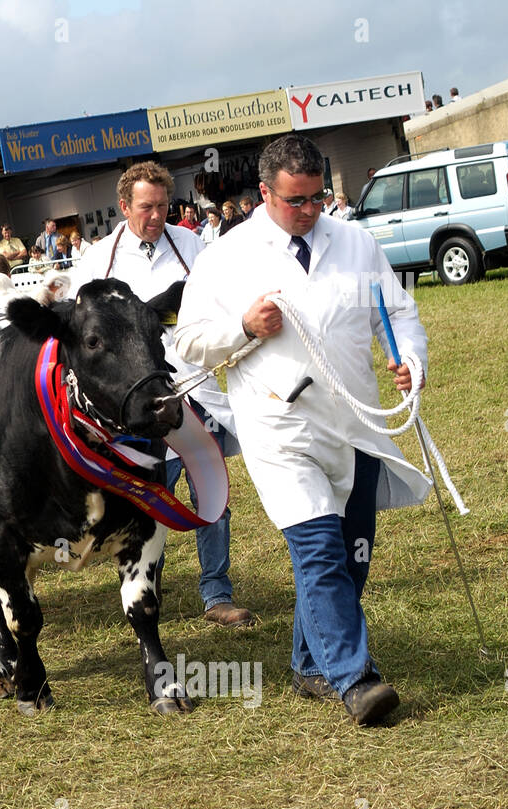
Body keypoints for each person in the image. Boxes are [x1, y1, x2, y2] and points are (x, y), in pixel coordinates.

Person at [175, 133, 431, 726]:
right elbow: (187, 340)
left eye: (318, 197)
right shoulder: (227, 256)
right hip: (279, 426)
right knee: (318, 552)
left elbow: (396, 311)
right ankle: (355, 679)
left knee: (352, 557)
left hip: (356, 424)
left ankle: (309, 665)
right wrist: (242, 326)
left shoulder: (356, 242)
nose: (312, 210)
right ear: (264, 193)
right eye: (297, 201)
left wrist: (410, 360)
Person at [70, 159, 252, 629]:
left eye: (163, 206)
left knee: (211, 495)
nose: (156, 216)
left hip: (193, 385)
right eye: (146, 207)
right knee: (148, 498)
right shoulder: (98, 259)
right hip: (134, 401)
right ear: (124, 206)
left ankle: (217, 594)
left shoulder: (192, 245)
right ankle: (147, 591)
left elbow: (220, 303)